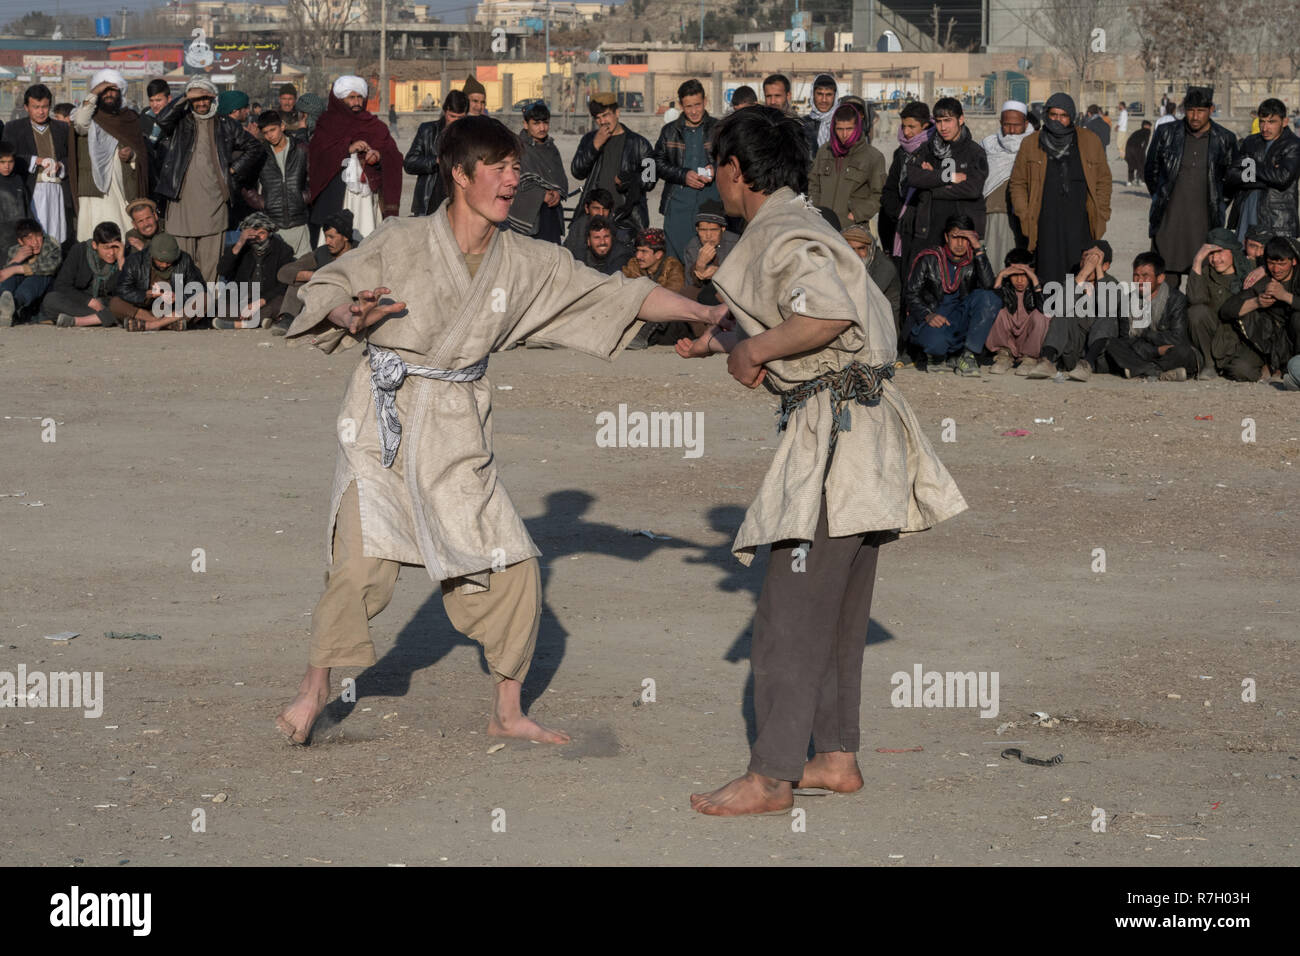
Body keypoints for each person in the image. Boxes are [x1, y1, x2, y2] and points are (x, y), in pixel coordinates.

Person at [274, 115, 724, 747]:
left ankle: (507, 713)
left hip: (458, 429)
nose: (516, 179)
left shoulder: (527, 260)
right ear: (460, 174)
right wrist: (349, 312)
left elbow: (612, 297)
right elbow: (327, 285)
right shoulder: (401, 240)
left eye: (518, 167)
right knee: (358, 567)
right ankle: (315, 686)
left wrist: (700, 309)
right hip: (383, 423)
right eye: (501, 167)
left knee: (513, 568)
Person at [672, 105, 966, 816]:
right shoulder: (804, 223)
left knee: (788, 611)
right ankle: (834, 756)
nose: (720, 181)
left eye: (721, 167)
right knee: (836, 611)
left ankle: (772, 775)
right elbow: (815, 318)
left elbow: (827, 314)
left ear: (737, 171)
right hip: (862, 430)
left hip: (839, 437)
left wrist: (753, 349)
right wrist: (721, 341)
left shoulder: (786, 229)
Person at [154, 77, 262, 282]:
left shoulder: (225, 124)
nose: (202, 103)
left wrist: (233, 170)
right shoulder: (180, 122)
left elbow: (254, 148)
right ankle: (184, 307)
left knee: (210, 263)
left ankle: (207, 308)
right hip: (181, 201)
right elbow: (162, 120)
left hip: (213, 202)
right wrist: (185, 97)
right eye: (197, 99)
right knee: (182, 261)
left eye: (206, 98)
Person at [1009, 92, 1111, 291]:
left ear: (1071, 117)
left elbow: (1103, 181)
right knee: (1047, 276)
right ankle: (1049, 318)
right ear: (1046, 115)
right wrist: (1023, 212)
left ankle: (1074, 319)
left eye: (1063, 115)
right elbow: (1018, 182)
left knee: (1079, 274)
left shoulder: (1090, 141)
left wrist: (1102, 212)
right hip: (1044, 224)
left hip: (1080, 222)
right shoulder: (1031, 143)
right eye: (1053, 114)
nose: (1057, 120)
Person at [1145, 86, 1238, 282]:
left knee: (1201, 281)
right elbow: (1151, 171)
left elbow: (1231, 181)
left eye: (1201, 111)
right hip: (1169, 222)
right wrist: (1162, 197)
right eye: (1190, 110)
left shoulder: (1225, 138)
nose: (1195, 116)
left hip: (1204, 222)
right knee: (1165, 281)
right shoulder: (1166, 133)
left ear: (1211, 110)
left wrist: (1217, 204)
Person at [895, 97, 988, 282]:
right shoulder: (926, 149)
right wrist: (948, 177)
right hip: (927, 229)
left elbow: (972, 189)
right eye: (938, 122)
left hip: (960, 233)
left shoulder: (974, 152)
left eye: (948, 121)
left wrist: (931, 187)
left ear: (961, 120)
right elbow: (913, 176)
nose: (943, 127)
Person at [308, 76, 403, 241]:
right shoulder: (327, 125)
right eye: (351, 97)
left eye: (360, 97)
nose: (357, 101)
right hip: (336, 196)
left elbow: (393, 154)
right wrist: (347, 148)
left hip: (365, 198)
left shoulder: (375, 126)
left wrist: (378, 155)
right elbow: (318, 158)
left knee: (365, 236)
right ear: (340, 99)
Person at [904, 213, 1000, 375]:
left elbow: (989, 286)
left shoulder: (973, 260)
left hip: (958, 319)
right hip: (932, 320)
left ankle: (968, 355)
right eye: (955, 237)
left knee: (989, 298)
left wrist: (978, 248)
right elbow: (911, 294)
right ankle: (938, 355)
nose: (960, 243)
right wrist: (928, 315)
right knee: (936, 343)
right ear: (946, 237)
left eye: (965, 238)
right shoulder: (929, 258)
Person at [70, 70, 149, 242]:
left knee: (124, 234)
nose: (109, 94)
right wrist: (93, 93)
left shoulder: (129, 119)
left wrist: (131, 155)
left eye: (113, 90)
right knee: (94, 236)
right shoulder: (90, 116)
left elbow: (141, 154)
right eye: (104, 90)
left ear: (121, 93)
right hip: (93, 188)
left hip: (122, 186)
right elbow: (80, 124)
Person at [1024, 242, 1118, 380]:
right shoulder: (1075, 280)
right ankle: (1047, 361)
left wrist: (1097, 270)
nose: (1088, 263)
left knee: (1107, 315)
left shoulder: (1112, 283)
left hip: (1098, 356)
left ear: (1105, 266)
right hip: (1073, 351)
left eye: (1094, 259)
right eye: (1085, 259)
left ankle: (1087, 364)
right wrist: (1084, 273)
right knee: (1063, 312)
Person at [571, 92, 655, 240]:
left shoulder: (640, 143)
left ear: (617, 113)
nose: (602, 121)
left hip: (626, 218)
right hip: (595, 217)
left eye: (606, 115)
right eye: (598, 118)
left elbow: (651, 180)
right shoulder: (589, 139)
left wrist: (629, 180)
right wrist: (595, 145)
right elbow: (577, 171)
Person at [653, 79, 721, 263]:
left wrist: (714, 169)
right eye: (688, 106)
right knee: (676, 261)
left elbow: (731, 160)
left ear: (705, 102)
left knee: (710, 259)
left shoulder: (719, 129)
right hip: (677, 206)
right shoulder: (669, 131)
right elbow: (657, 164)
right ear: (681, 105)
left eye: (697, 105)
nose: (694, 111)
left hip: (711, 204)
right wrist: (683, 175)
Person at [1217, 236, 1300, 381]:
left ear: (1293, 261)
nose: (1276, 269)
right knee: (1240, 370)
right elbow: (1226, 310)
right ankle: (1271, 366)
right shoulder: (1263, 282)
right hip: (1267, 344)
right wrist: (1257, 302)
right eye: (1271, 263)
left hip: (1294, 344)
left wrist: (1286, 296)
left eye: (1281, 263)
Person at [1103, 252, 1196, 380]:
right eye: (1136, 275)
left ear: (1160, 278)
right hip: (1144, 351)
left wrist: (1147, 334)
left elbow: (1177, 338)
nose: (1140, 281)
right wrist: (1155, 351)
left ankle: (1142, 369)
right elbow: (1126, 338)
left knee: (1184, 352)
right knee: (1111, 344)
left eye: (1146, 276)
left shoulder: (1176, 300)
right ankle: (1159, 372)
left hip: (1167, 352)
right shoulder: (1127, 301)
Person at [3, 83, 75, 244]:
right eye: (36, 107)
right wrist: (36, 160)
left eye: (45, 107)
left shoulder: (62, 128)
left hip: (57, 190)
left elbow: (72, 157)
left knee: (57, 236)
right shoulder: (13, 128)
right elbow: (9, 157)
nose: (41, 111)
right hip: (31, 190)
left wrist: (60, 166)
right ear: (26, 107)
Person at [1226, 98, 1299, 245]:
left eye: (1271, 122)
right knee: (1245, 257)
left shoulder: (1293, 145)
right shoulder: (1250, 141)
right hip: (1247, 209)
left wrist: (1251, 167)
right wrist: (1269, 174)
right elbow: (1232, 175)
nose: (1265, 128)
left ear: (1284, 122)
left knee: (1274, 261)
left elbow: (1282, 178)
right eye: (1262, 121)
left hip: (1277, 217)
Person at [271, 210, 355, 335]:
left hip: (347, 300)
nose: (327, 242)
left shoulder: (359, 253)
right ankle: (288, 318)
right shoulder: (321, 253)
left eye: (332, 237)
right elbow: (284, 272)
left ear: (346, 236)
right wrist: (313, 276)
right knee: (298, 281)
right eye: (326, 236)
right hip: (320, 298)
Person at [808, 102, 886, 229]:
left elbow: (879, 194)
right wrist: (815, 210)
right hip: (821, 225)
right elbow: (814, 183)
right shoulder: (825, 151)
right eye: (839, 129)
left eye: (849, 129)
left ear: (857, 127)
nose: (844, 134)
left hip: (852, 228)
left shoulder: (873, 157)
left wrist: (856, 215)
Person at [1186, 228, 1250, 379]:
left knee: (1242, 371)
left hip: (1240, 338)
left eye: (1220, 252)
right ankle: (1209, 364)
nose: (1215, 259)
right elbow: (1195, 300)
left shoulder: (1248, 272)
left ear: (1233, 251)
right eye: (1211, 254)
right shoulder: (1205, 273)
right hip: (1214, 335)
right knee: (1196, 312)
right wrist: (1197, 261)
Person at [213, 211, 295, 329]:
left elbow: (284, 284)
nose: (257, 238)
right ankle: (264, 321)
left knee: (280, 303)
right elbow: (222, 270)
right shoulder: (241, 248)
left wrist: (261, 301)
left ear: (269, 233)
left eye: (261, 233)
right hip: (243, 297)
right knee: (222, 309)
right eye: (253, 234)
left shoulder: (283, 250)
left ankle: (243, 324)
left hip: (268, 298)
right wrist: (240, 242)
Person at [112, 230, 204, 331]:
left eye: (169, 262)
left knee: (204, 299)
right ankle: (167, 324)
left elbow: (197, 288)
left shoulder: (184, 260)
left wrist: (177, 297)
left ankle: (151, 325)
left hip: (174, 311)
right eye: (161, 261)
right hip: (146, 311)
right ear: (152, 255)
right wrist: (147, 294)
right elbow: (122, 289)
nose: (164, 265)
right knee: (115, 303)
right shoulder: (135, 261)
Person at [41, 220, 124, 327]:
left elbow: (123, 293)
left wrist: (121, 264)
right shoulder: (79, 251)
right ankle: (102, 319)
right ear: (95, 245)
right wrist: (90, 301)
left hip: (107, 304)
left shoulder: (124, 256)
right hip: (82, 302)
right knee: (51, 300)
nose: (111, 253)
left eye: (115, 247)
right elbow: (62, 285)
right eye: (106, 248)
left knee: (122, 307)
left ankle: (78, 321)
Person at [879, 100, 930, 275]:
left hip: (921, 225)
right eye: (903, 126)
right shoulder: (900, 152)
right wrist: (897, 211)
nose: (906, 132)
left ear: (925, 125)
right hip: (898, 223)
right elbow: (891, 188)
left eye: (912, 127)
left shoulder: (933, 150)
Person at [507, 100, 567, 243]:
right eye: (536, 123)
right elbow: (514, 181)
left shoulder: (552, 149)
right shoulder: (517, 148)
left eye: (545, 123)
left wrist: (557, 193)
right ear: (526, 124)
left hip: (550, 213)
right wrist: (541, 195)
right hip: (526, 216)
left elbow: (560, 178)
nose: (542, 127)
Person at [980, 100, 1029, 274]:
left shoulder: (1033, 146)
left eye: (1017, 125)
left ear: (1026, 124)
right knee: (991, 266)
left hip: (1021, 217)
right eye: (1007, 125)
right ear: (1001, 124)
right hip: (991, 214)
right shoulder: (988, 145)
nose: (1012, 130)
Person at [254, 110, 311, 256]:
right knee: (277, 273)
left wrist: (304, 197)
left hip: (299, 222)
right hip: (273, 224)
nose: (270, 135)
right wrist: (262, 202)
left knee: (302, 269)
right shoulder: (260, 154)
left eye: (273, 130)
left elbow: (315, 178)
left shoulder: (301, 149)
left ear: (282, 127)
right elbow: (244, 184)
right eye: (265, 132)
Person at [985, 247, 1049, 373]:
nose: (1019, 280)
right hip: (1008, 340)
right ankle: (1004, 355)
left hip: (1029, 340)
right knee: (998, 310)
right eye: (1015, 275)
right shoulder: (1004, 285)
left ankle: (1030, 358)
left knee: (1042, 315)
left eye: (1024, 275)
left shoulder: (1041, 286)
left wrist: (1034, 280)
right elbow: (990, 307)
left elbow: (1044, 310)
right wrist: (1000, 276)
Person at [405, 90, 468, 217]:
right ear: (445, 112)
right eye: (452, 116)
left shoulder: (471, 135)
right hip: (429, 203)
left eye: (460, 118)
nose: (455, 122)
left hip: (459, 203)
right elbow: (409, 163)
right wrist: (437, 161)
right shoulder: (428, 131)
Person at [841, 222, 902, 347]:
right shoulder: (840, 263)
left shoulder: (884, 267)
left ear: (870, 248)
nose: (856, 255)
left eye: (861, 249)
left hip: (881, 328)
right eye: (850, 249)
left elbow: (862, 299)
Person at [0, 217, 63, 325]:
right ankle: (3, 304)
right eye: (29, 238)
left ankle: (14, 304)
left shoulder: (50, 247)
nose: (35, 242)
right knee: (11, 272)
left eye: (38, 237)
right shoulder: (14, 250)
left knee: (40, 275)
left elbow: (51, 267)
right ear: (20, 241)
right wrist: (16, 260)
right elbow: (4, 275)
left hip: (44, 293)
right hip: (23, 296)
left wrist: (16, 268)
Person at [683, 200, 739, 305]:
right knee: (686, 295)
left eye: (714, 230)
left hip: (732, 291)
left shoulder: (735, 243)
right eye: (703, 230)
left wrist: (721, 272)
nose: (708, 236)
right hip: (703, 294)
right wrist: (699, 265)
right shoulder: (692, 246)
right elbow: (689, 284)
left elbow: (745, 277)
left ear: (723, 229)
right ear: (697, 229)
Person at [138, 78, 173, 200]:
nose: (155, 104)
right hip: (150, 175)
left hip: (170, 176)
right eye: (151, 100)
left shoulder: (177, 119)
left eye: (159, 100)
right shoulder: (144, 117)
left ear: (169, 99)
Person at [563, 186, 618, 257]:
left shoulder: (616, 228)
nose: (601, 213)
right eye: (596, 208)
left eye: (605, 209)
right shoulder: (578, 226)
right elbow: (567, 251)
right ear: (587, 208)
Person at [0, 141, 30, 253]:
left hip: (19, 235)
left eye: (10, 162)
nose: (6, 166)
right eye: (2, 162)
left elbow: (26, 206)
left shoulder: (18, 180)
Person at [803, 73, 839, 158]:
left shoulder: (843, 123)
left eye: (829, 94)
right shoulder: (802, 124)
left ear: (835, 96)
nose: (824, 100)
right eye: (819, 94)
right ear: (813, 95)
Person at [1125, 120, 1151, 186]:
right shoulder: (1147, 131)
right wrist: (1143, 152)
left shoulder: (1137, 132)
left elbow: (1129, 140)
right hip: (1136, 148)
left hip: (1128, 147)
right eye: (1149, 126)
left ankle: (1130, 181)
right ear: (1145, 126)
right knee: (1142, 164)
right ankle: (1141, 180)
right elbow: (1146, 142)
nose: (1150, 127)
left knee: (1131, 164)